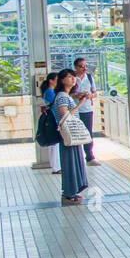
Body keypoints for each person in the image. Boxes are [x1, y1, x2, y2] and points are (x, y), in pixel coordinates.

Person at [52, 68, 88, 205]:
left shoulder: (66, 95)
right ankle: (68, 193)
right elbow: (64, 115)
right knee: (69, 163)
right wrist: (80, 104)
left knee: (74, 161)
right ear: (62, 80)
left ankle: (72, 191)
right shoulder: (62, 96)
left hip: (72, 135)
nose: (73, 79)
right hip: (68, 134)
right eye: (69, 77)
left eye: (74, 76)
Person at [72, 57, 100, 166]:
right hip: (74, 110)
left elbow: (95, 93)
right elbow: (67, 93)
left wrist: (90, 96)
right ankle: (76, 157)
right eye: (81, 66)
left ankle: (89, 156)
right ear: (75, 67)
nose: (84, 68)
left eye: (85, 66)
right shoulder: (72, 78)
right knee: (75, 133)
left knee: (88, 132)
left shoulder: (89, 77)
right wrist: (76, 96)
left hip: (87, 109)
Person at [41, 72, 61, 174]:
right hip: (53, 119)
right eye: (57, 80)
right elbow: (56, 103)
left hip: (55, 118)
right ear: (51, 80)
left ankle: (57, 166)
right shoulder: (49, 92)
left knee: (56, 144)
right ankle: (56, 167)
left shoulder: (51, 91)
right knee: (55, 144)